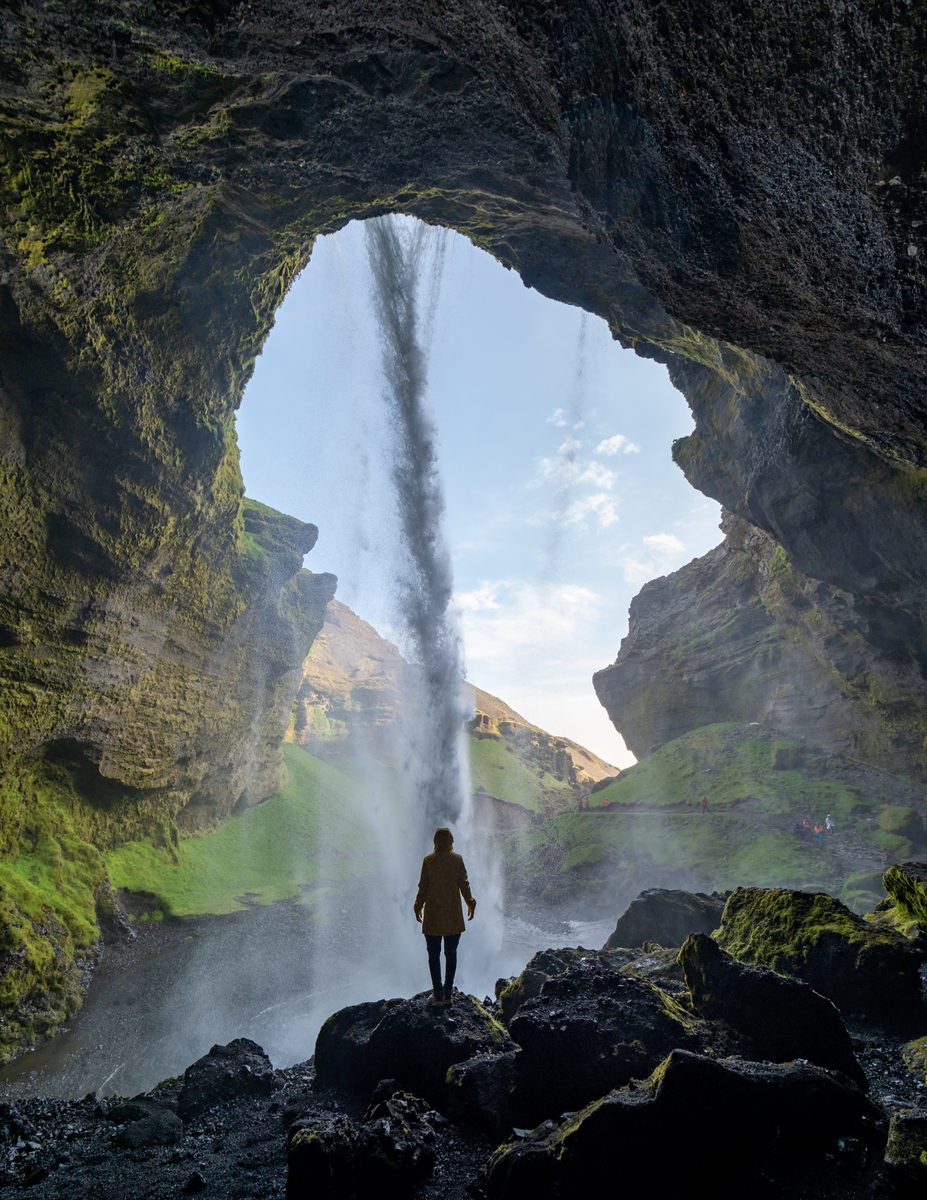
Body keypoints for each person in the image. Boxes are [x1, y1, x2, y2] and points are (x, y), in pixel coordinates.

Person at [414, 827, 476, 1008]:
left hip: (433, 915)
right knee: (451, 953)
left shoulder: (428, 861)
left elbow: (423, 888)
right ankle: (448, 993)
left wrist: (417, 907)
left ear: (435, 842)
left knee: (433, 955)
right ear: (450, 842)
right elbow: (464, 885)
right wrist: (471, 903)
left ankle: (437, 993)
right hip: (453, 916)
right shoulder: (457, 860)